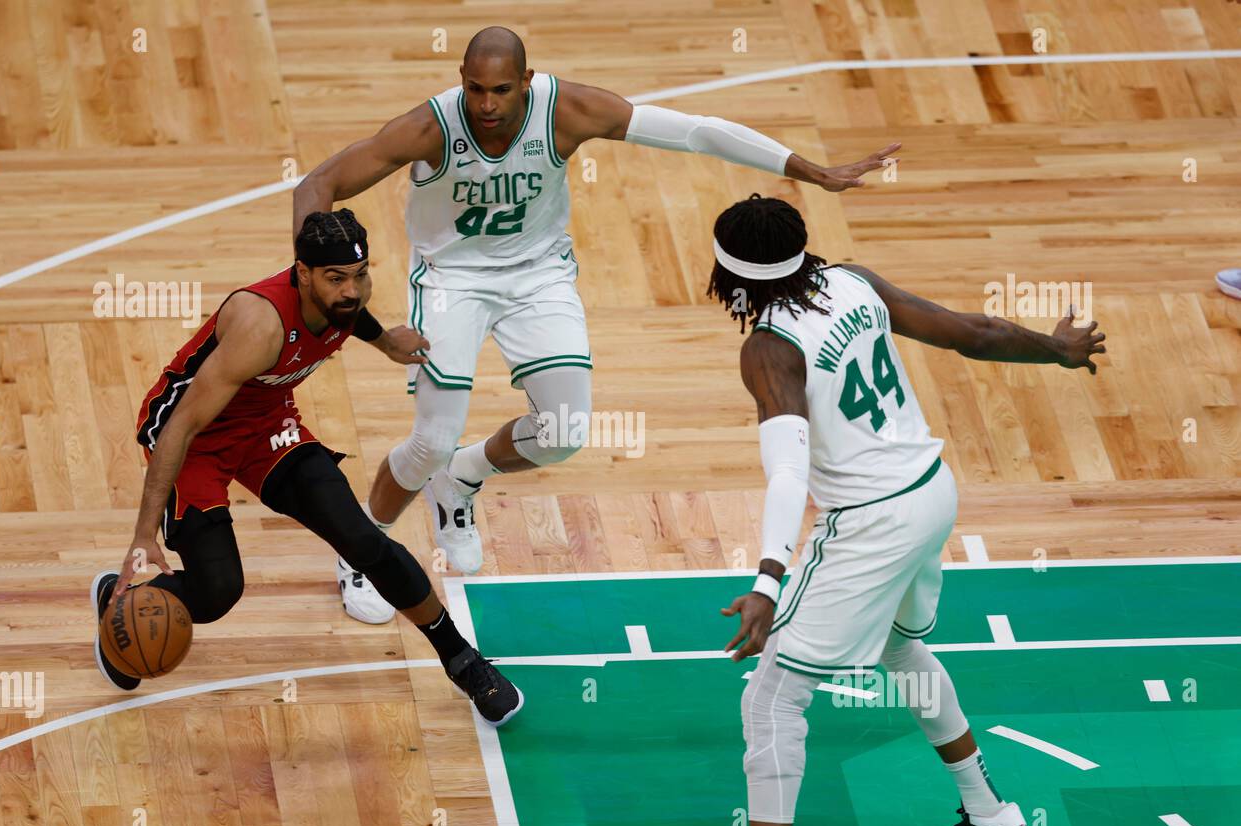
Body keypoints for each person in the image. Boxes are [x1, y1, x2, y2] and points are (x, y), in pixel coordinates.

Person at [292, 25, 901, 623]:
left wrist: (808, 170)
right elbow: (319, 182)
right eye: (475, 89)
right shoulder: (430, 127)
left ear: (526, 83)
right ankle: (362, 550)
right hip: (453, 280)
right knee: (431, 439)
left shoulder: (567, 111)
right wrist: (307, 265)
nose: (486, 105)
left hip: (539, 277)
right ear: (461, 82)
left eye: (501, 90)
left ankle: (463, 479)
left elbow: (694, 131)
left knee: (562, 433)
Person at [712, 194, 1106, 826]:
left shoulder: (769, 349)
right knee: (900, 651)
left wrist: (767, 580)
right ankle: (992, 816)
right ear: (801, 248)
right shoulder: (853, 281)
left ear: (728, 275)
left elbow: (787, 474)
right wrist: (1056, 350)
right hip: (930, 492)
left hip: (870, 524)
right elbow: (970, 332)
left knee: (771, 700)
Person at [92, 209, 523, 727]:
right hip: (193, 439)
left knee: (364, 541)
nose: (351, 291)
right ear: (302, 274)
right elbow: (179, 428)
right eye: (336, 278)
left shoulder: (341, 301)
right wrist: (144, 533)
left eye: (360, 277)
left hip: (267, 424)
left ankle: (462, 661)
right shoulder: (260, 325)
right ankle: (121, 601)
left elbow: (350, 314)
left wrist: (386, 342)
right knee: (218, 592)